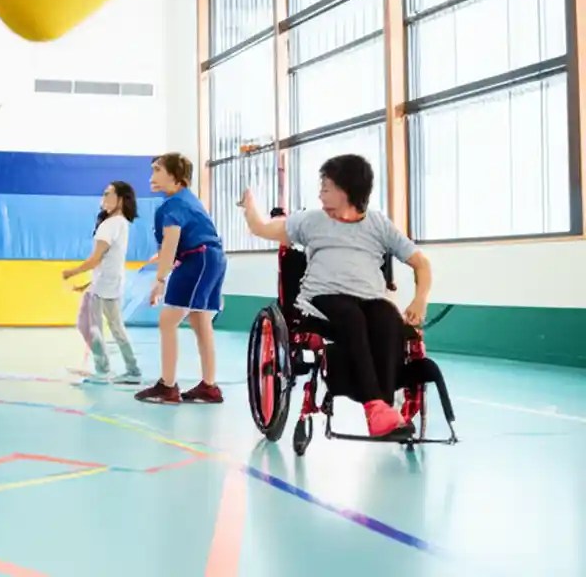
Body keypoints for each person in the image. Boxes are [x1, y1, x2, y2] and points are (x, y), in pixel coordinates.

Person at [240, 154, 432, 438]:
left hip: (370, 298)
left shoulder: (378, 224)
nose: (320, 193)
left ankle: (385, 409)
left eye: (326, 187)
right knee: (350, 316)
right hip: (322, 299)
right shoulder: (311, 221)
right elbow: (261, 228)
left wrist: (420, 299)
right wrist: (250, 208)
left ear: (346, 191)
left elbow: (421, 263)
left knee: (389, 319)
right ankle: (374, 408)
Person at [134, 153, 226, 405]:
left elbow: (172, 242)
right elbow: (187, 238)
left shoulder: (173, 205)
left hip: (198, 260)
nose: (151, 177)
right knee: (199, 320)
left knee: (167, 321)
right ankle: (209, 386)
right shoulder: (188, 200)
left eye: (157, 170)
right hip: (212, 257)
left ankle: (168, 386)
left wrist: (160, 281)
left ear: (176, 177)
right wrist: (162, 256)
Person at [62, 181, 143, 384]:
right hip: (110, 283)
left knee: (90, 326)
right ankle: (132, 370)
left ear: (121, 199)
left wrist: (72, 272)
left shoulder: (110, 225)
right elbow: (107, 261)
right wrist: (87, 284)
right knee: (114, 328)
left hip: (104, 287)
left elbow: (96, 259)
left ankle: (103, 369)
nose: (103, 197)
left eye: (108, 194)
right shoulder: (121, 223)